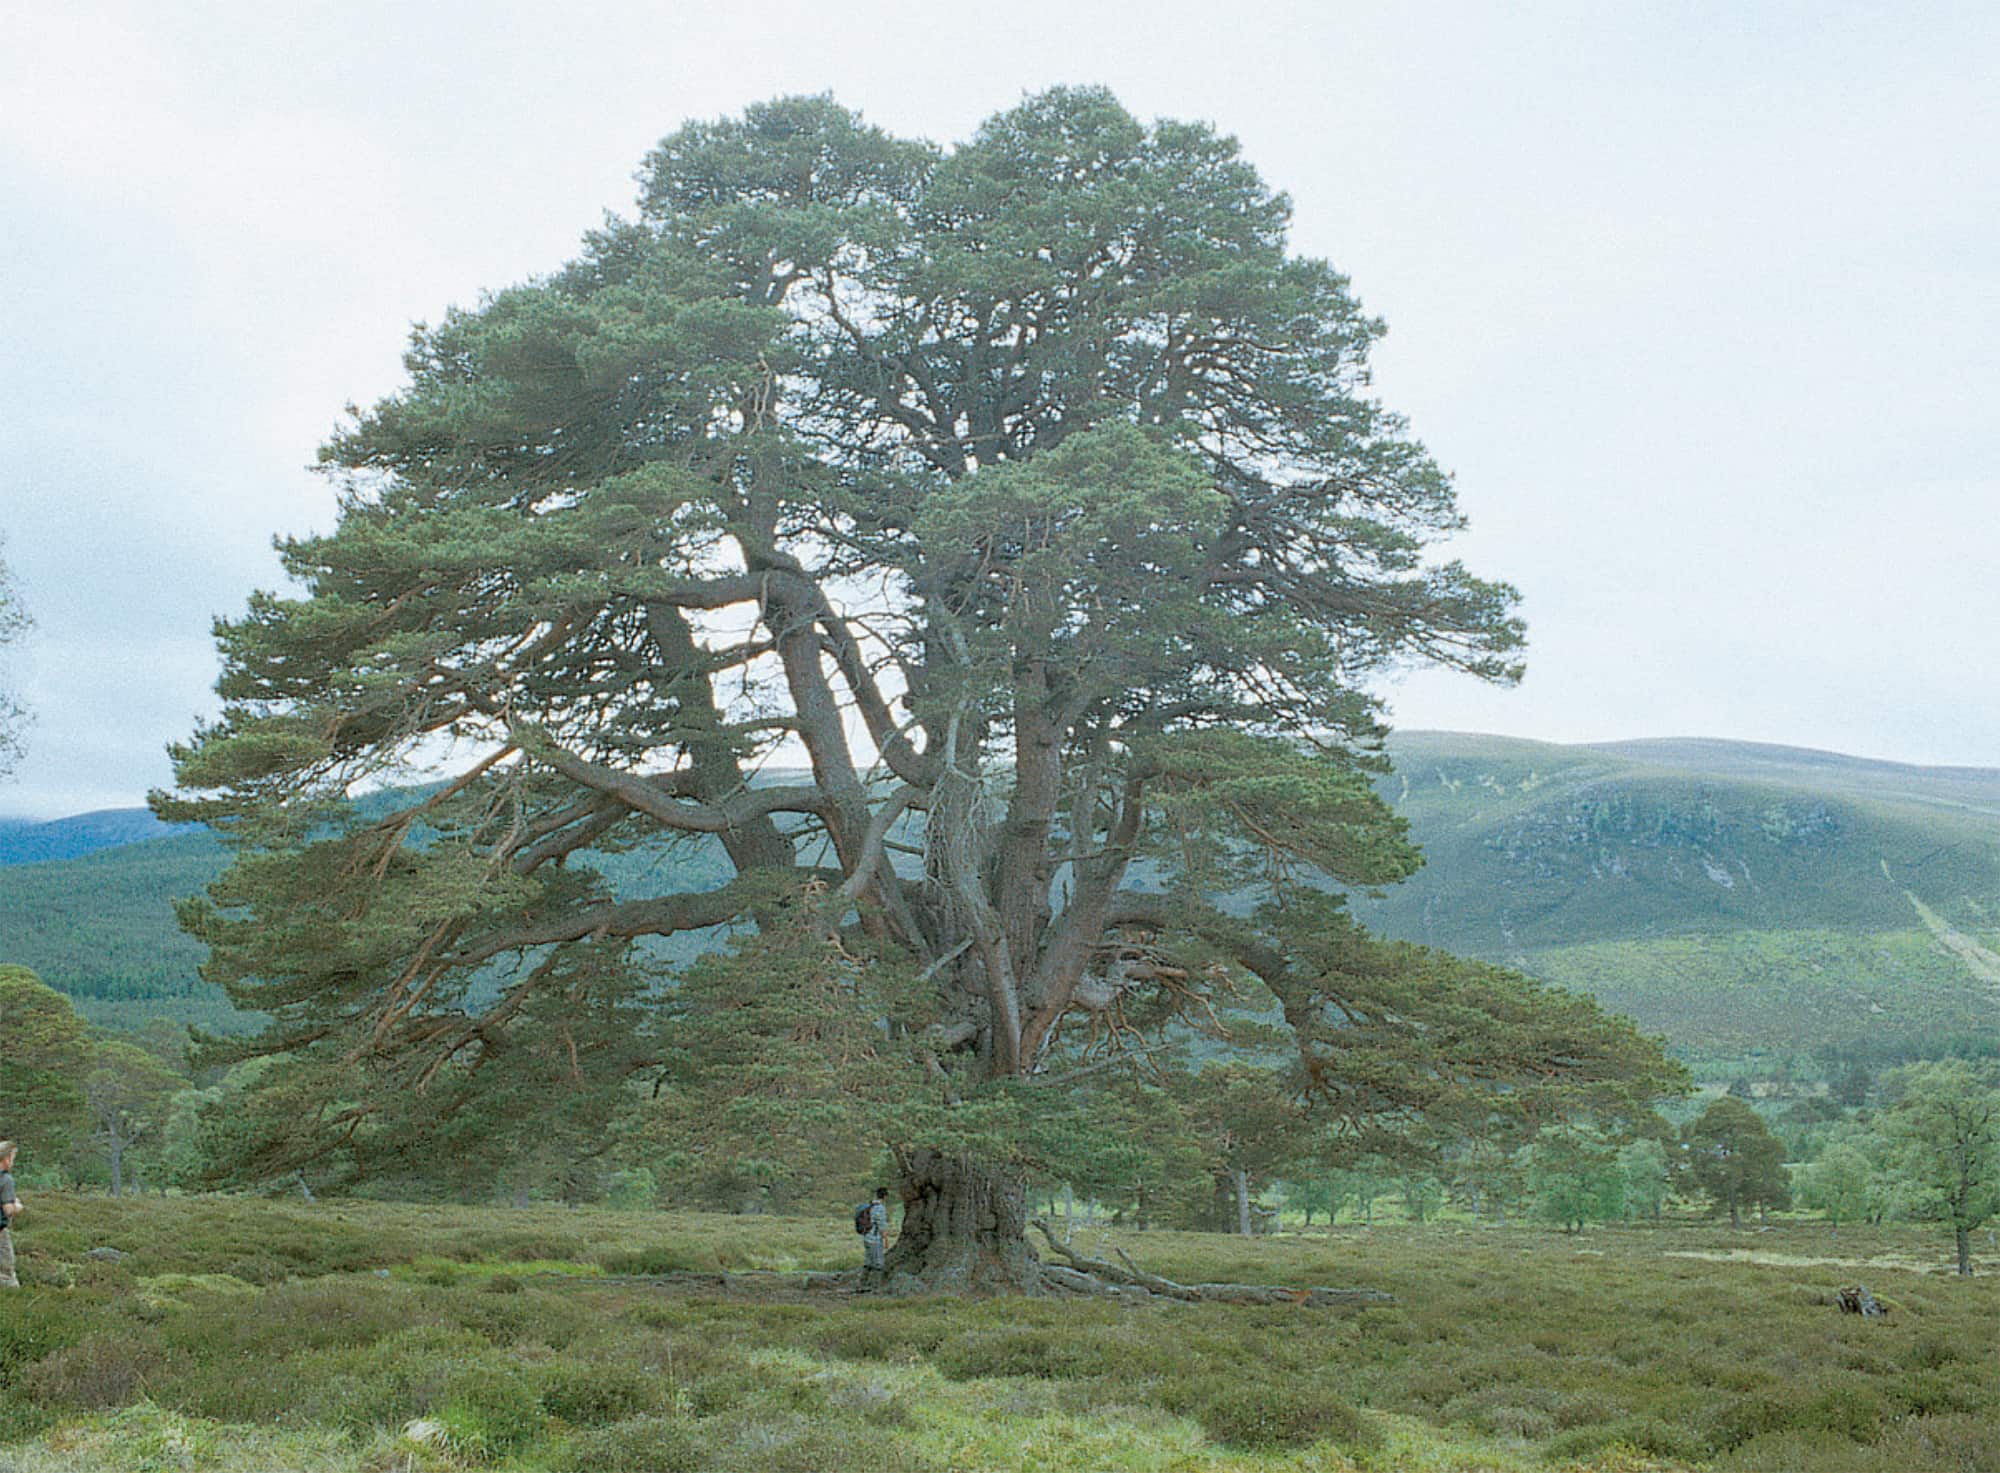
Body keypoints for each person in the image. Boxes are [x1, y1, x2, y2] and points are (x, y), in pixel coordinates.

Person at [0, 1141, 21, 1289]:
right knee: (6, 1273)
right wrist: (17, 1206)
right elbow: (8, 1210)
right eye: (13, 1158)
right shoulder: (6, 1180)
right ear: (6, 1158)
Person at [861, 1185, 889, 1282]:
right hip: (875, 1239)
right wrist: (886, 1240)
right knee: (878, 1263)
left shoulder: (869, 1205)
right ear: (885, 1196)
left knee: (868, 1262)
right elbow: (882, 1226)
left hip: (866, 1236)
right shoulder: (880, 1208)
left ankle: (863, 1283)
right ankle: (875, 1285)